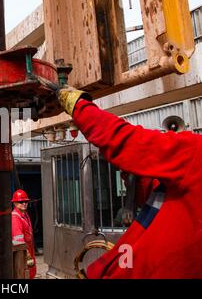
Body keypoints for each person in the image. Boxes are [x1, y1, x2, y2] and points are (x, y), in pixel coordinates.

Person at [51, 82, 202, 278]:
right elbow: (155, 199)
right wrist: (135, 170)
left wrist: (78, 104)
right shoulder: (188, 177)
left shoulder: (195, 153)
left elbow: (126, 140)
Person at [11, 189, 37, 279]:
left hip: (29, 248)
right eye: (20, 202)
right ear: (14, 203)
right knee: (24, 274)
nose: (24, 203)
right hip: (23, 252)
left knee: (31, 272)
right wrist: (27, 255)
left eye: (25, 201)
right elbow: (18, 240)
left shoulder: (25, 214)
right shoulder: (15, 217)